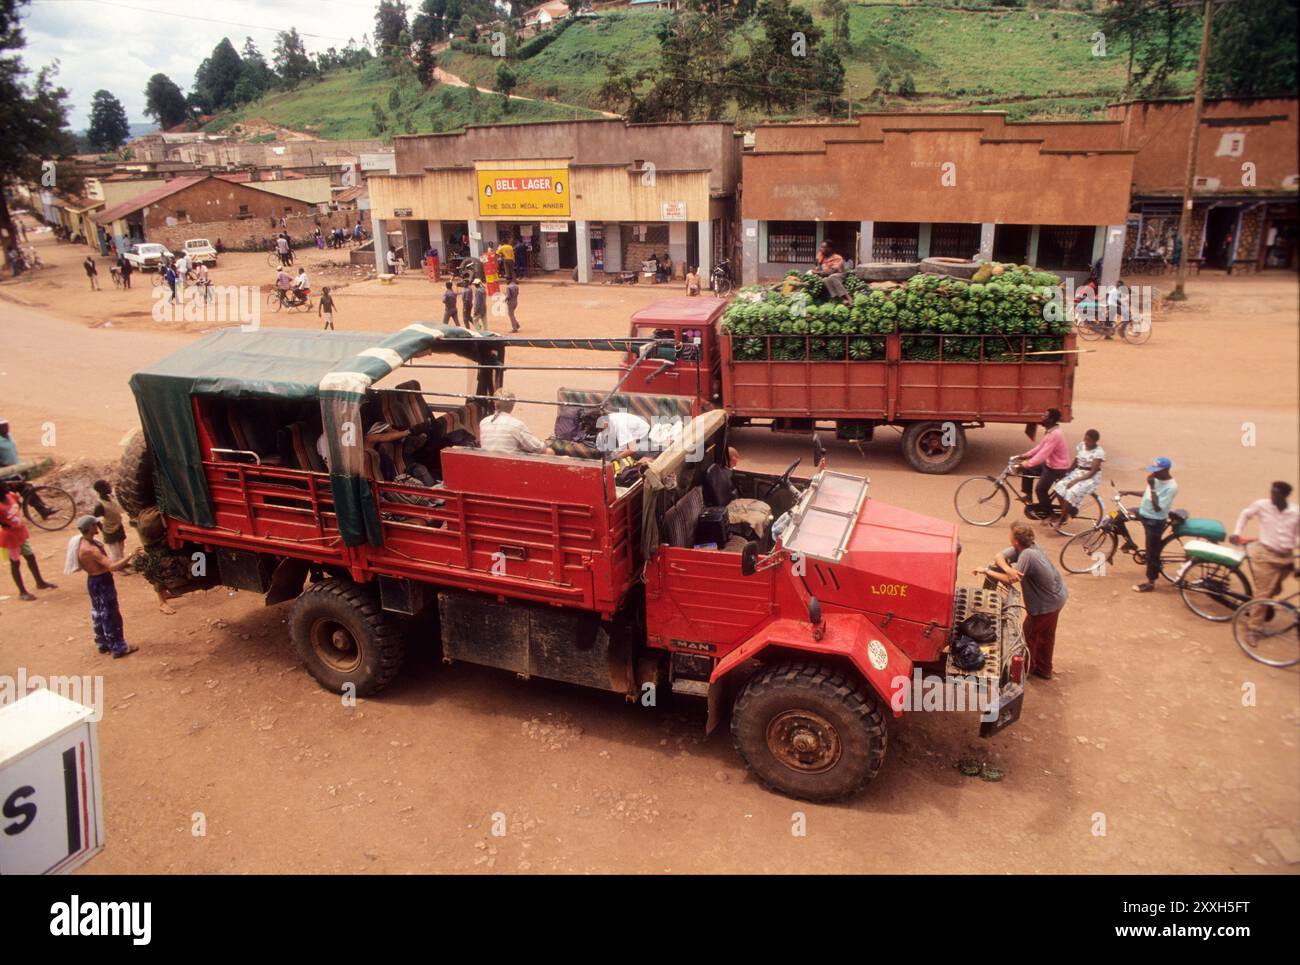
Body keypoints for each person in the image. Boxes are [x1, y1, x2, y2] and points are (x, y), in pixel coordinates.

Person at [976, 522, 1067, 680]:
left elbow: (1011, 580)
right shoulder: (1029, 547)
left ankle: (1025, 671)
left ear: (1016, 541)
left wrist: (986, 571)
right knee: (1047, 635)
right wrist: (1008, 568)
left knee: (1029, 635)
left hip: (1045, 604)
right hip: (1057, 597)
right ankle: (1044, 668)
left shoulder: (1027, 555)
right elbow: (999, 557)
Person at [1232, 482, 1298, 637]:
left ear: (1284, 496)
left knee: (1275, 589)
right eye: (1271, 492)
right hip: (1265, 555)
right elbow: (1245, 514)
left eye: (1276, 494)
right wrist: (1237, 532)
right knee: (1264, 594)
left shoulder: (1295, 512)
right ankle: (1253, 628)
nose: (1272, 496)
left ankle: (1260, 607)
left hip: (1286, 557)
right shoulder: (1262, 505)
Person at [72, 515, 137, 658]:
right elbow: (113, 567)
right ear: (90, 528)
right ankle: (118, 647)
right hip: (102, 581)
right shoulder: (91, 549)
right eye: (95, 525)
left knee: (99, 613)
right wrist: (131, 556)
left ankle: (103, 643)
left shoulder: (80, 542)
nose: (98, 527)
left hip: (93, 580)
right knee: (111, 614)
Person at [1123, 456, 1178, 593]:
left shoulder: (1171, 487)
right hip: (1142, 513)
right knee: (1117, 515)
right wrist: (1128, 492)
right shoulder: (1155, 478)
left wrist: (1152, 487)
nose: (1154, 473)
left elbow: (1158, 507)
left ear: (1166, 470)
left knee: (1151, 553)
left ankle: (1150, 582)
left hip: (1154, 520)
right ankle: (1129, 542)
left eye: (1157, 470)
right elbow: (1147, 494)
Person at [1, 481, 57, 601]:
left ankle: (40, 582)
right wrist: (8, 524)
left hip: (20, 533)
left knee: (30, 557)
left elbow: (18, 504)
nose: (7, 486)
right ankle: (22, 591)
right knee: (15, 563)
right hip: (10, 537)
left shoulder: (11, 496)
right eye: (3, 486)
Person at [1014, 408, 1071, 519]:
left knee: (1040, 490)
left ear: (1051, 419)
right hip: (1050, 464)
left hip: (1057, 468)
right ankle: (1028, 496)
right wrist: (1024, 456)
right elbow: (1040, 447)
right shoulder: (1050, 432)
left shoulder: (1055, 434)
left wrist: (1024, 464)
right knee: (1028, 470)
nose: (1042, 417)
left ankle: (1050, 515)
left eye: (1045, 416)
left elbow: (1042, 455)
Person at [1049, 429, 1105, 534]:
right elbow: (1076, 460)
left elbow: (1092, 472)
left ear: (1094, 441)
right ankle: (1065, 512)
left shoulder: (1098, 453)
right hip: (1078, 472)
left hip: (1090, 477)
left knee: (1071, 492)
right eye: (1085, 438)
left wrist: (1075, 481)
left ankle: (1061, 521)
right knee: (1058, 487)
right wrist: (1068, 471)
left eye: (1088, 440)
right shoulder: (1082, 446)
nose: (1085, 441)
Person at [479, 391, 547, 455]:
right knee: (549, 452)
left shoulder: (483, 422)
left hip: (487, 463)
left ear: (494, 403)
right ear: (513, 405)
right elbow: (539, 448)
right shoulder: (516, 425)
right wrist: (546, 443)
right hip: (508, 465)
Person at [91, 479, 128, 562]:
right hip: (110, 530)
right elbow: (95, 519)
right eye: (107, 486)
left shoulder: (110, 497)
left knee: (121, 547)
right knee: (115, 551)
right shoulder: (100, 505)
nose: (109, 487)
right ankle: (118, 566)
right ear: (101, 490)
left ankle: (122, 563)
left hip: (118, 526)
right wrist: (102, 530)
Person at [813, 241, 851, 305]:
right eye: (821, 247)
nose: (821, 249)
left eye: (824, 247)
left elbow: (832, 271)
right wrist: (817, 266)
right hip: (827, 275)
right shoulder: (822, 256)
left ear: (830, 248)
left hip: (840, 274)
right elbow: (816, 263)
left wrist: (818, 272)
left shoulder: (837, 258)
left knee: (832, 277)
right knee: (825, 280)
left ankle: (848, 297)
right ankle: (839, 298)